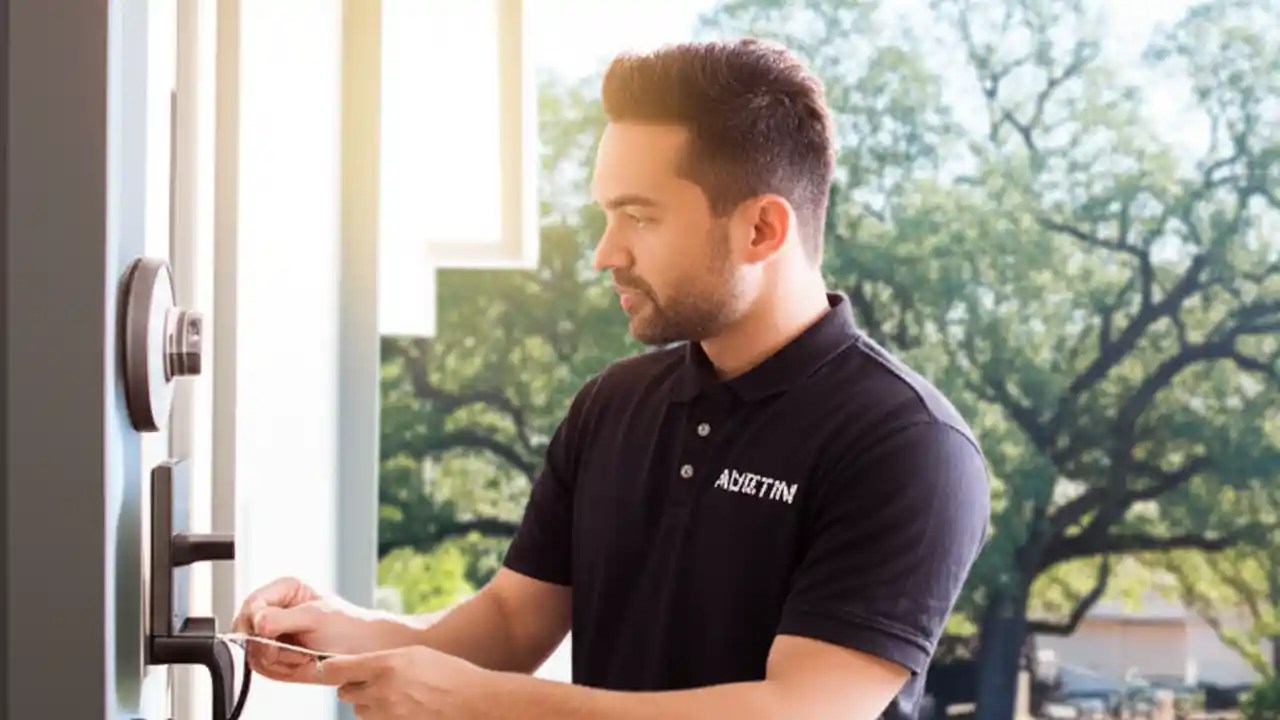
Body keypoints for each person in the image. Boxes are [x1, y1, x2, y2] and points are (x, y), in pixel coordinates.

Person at [234, 37, 990, 719]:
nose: (605, 253)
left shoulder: (908, 445)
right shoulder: (613, 405)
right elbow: (511, 622)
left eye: (640, 217)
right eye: (606, 215)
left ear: (762, 229)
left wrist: (483, 705)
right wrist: (348, 632)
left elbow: (795, 711)